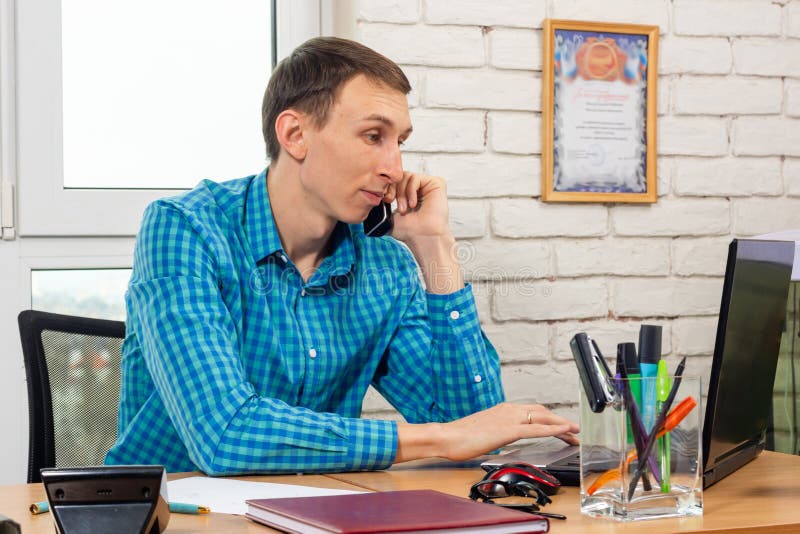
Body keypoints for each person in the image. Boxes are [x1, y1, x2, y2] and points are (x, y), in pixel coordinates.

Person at [105, 36, 578, 476]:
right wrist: (438, 439)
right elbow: (224, 434)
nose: (394, 168)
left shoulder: (384, 264)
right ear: (295, 134)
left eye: (400, 142)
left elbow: (472, 429)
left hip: (311, 507)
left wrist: (435, 246)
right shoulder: (184, 229)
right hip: (166, 512)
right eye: (373, 136)